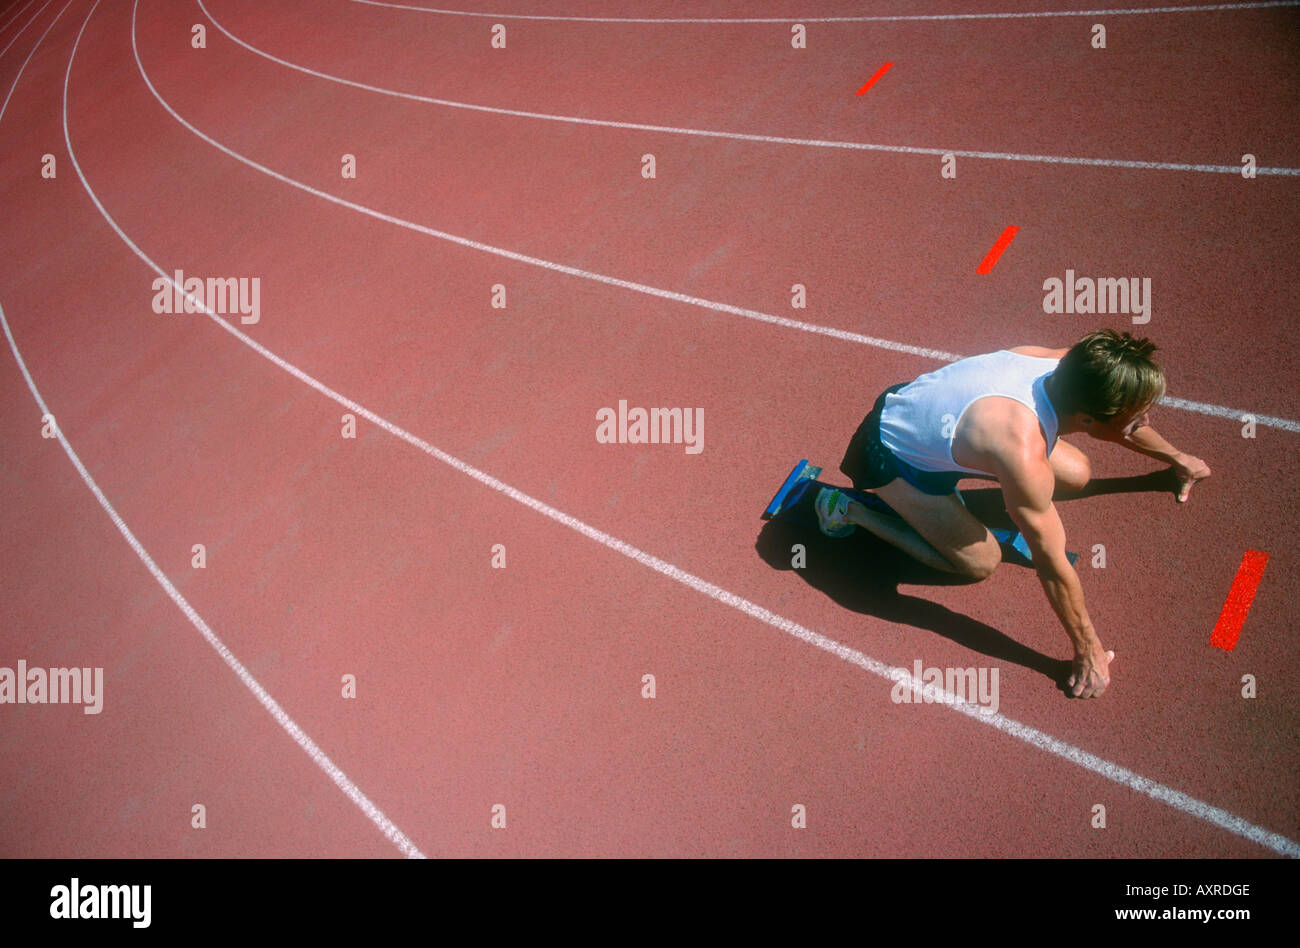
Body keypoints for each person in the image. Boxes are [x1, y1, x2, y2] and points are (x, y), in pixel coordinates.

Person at [815, 329, 1211, 699]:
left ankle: (949, 479)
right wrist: (1088, 649)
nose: (1145, 424)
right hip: (887, 452)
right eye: (1134, 421)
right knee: (981, 563)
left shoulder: (1074, 366)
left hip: (936, 419)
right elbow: (1052, 563)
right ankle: (850, 511)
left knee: (1078, 474)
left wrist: (1179, 459)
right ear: (1088, 420)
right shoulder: (1022, 450)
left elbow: (1121, 414)